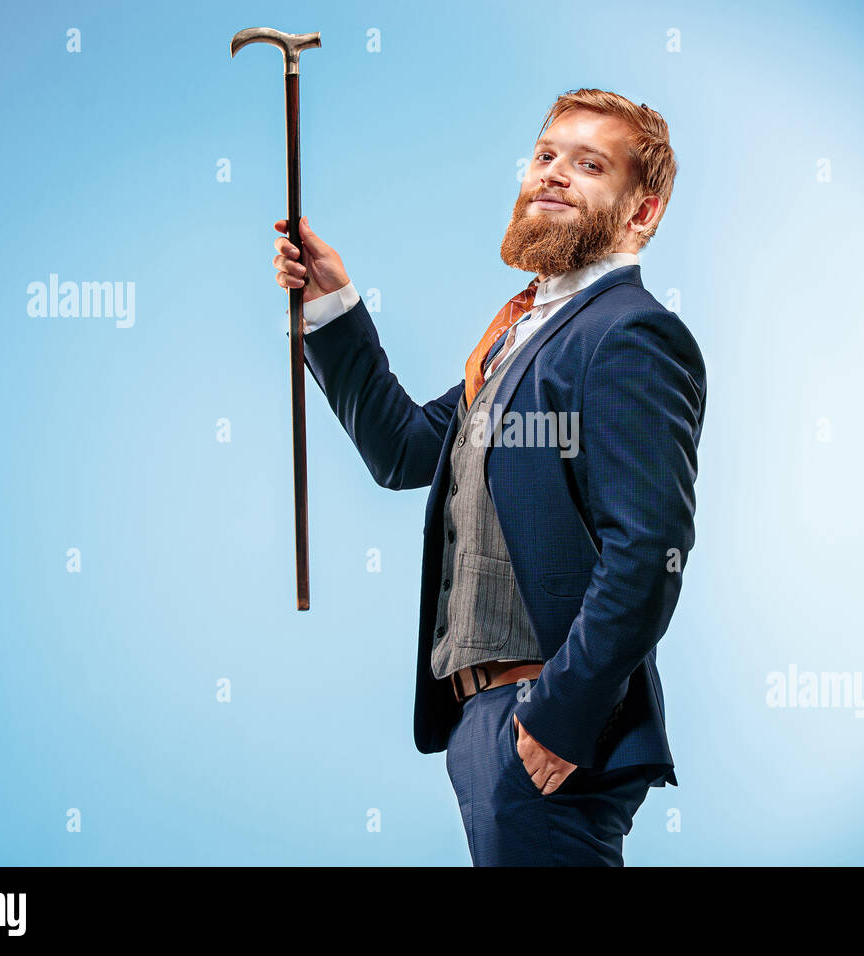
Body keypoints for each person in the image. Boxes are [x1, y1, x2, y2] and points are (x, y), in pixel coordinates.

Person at [272, 88, 706, 866]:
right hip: (487, 723)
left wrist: (558, 721)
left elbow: (649, 550)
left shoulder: (628, 336)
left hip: (553, 727)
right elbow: (403, 449)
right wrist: (330, 305)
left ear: (643, 213)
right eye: (545, 155)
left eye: (589, 164)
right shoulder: (515, 339)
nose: (553, 174)